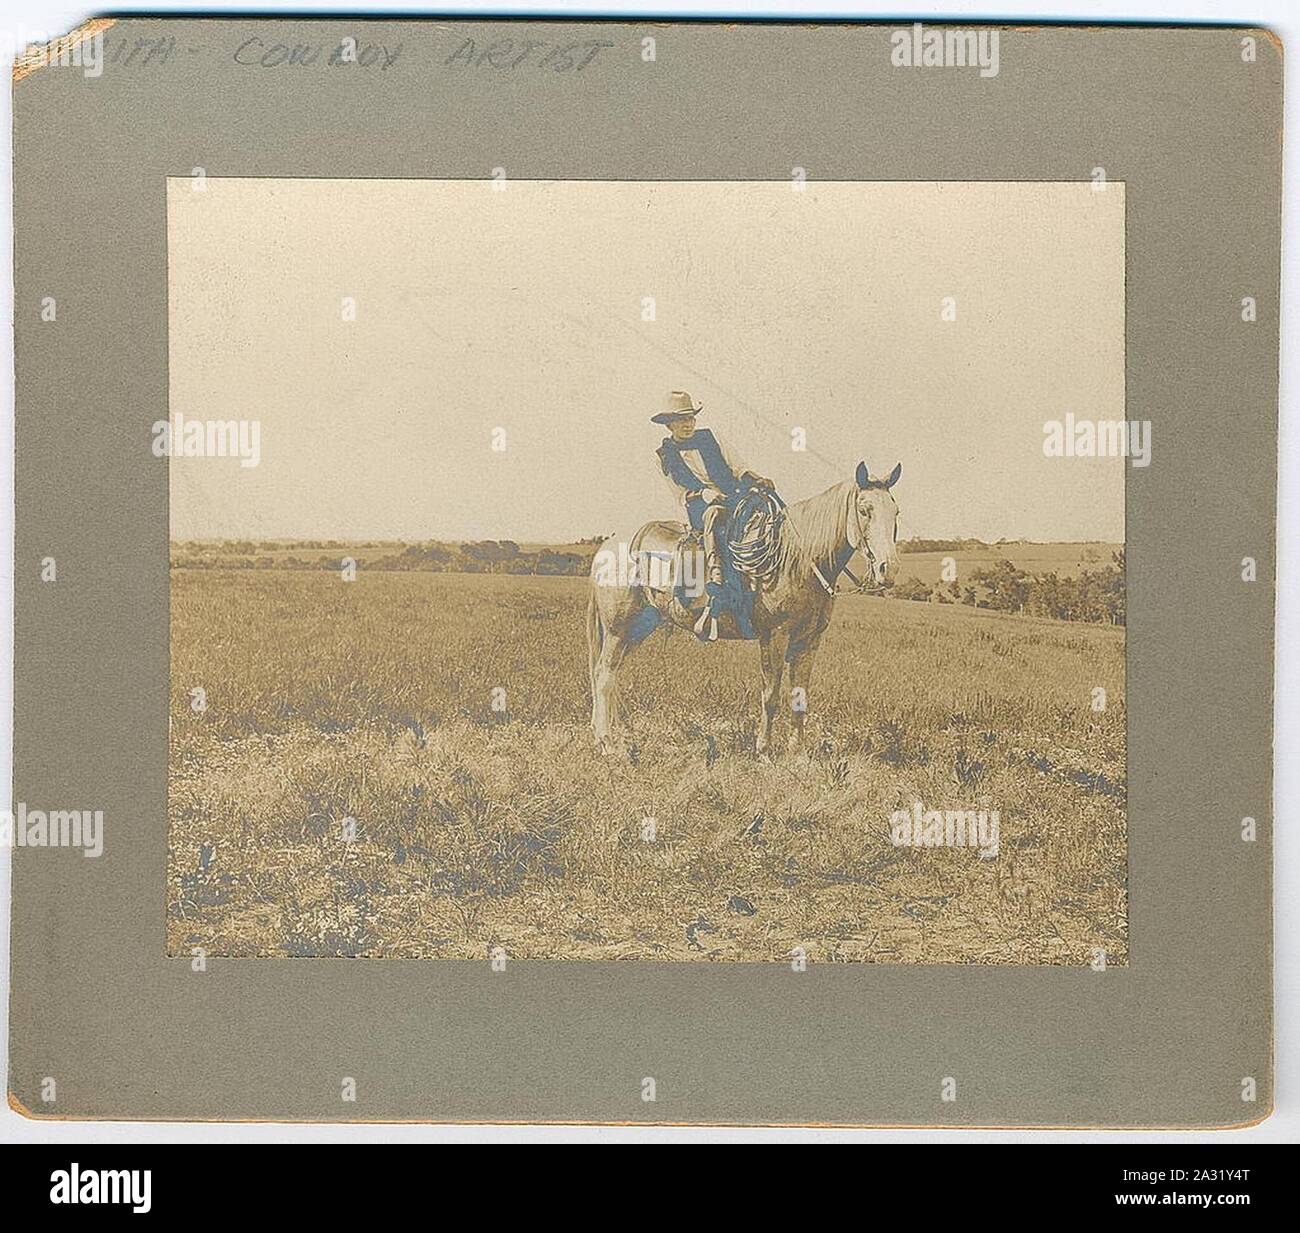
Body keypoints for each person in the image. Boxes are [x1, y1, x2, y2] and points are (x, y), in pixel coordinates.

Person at [651, 392, 774, 622]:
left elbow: (737, 466)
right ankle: (715, 574)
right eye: (681, 420)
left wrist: (757, 478)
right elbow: (678, 494)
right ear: (669, 425)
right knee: (714, 515)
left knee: (766, 507)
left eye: (690, 419)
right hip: (699, 505)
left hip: (732, 494)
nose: (687, 424)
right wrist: (703, 494)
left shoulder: (710, 437)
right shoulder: (663, 456)